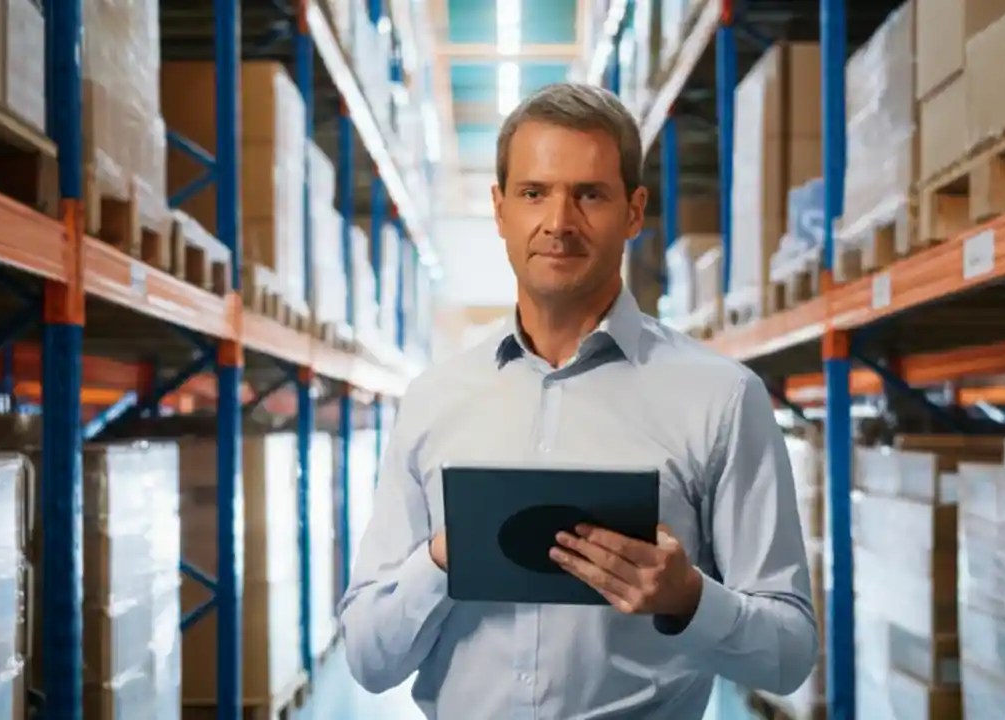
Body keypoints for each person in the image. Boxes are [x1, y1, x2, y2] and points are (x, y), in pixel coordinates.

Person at [338, 82, 818, 719]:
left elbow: (788, 656)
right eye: (534, 193)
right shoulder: (433, 402)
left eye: (589, 194)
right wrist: (442, 560)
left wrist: (689, 598)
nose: (558, 223)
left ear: (634, 211)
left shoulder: (722, 399)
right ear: (500, 208)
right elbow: (370, 660)